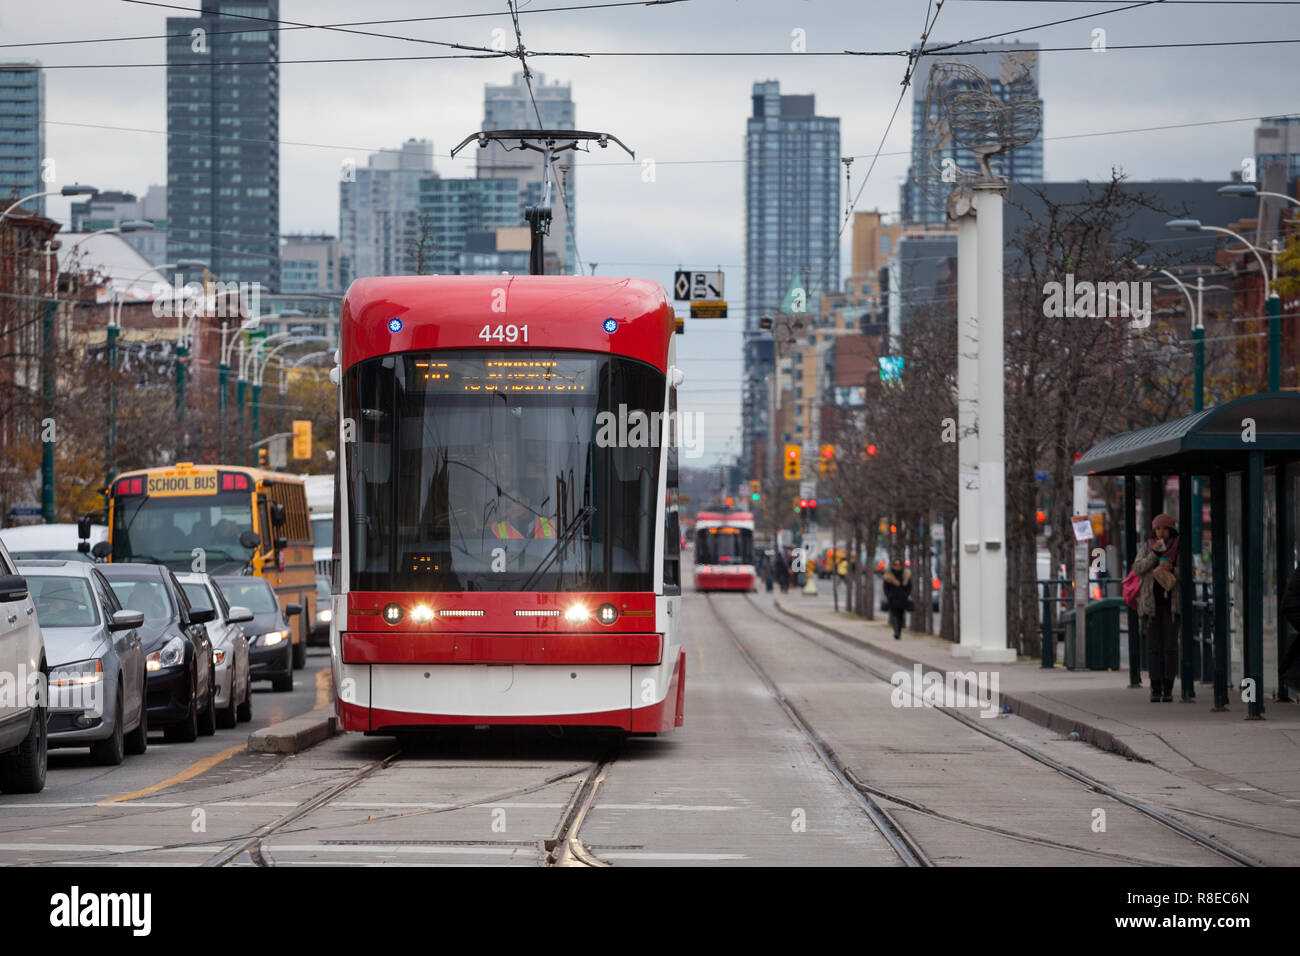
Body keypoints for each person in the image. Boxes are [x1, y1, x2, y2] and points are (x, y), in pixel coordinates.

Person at [1132, 513, 1181, 702]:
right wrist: (1154, 554)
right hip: (1151, 605)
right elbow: (1137, 568)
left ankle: (1168, 687)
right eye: (1157, 529)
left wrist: (1172, 569)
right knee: (1153, 648)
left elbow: (1187, 573)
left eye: (1164, 529)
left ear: (1171, 530)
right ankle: (1155, 687)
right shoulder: (1147, 546)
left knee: (1170, 647)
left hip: (1171, 604)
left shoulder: (1177, 547)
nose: (1160, 532)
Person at [882, 558, 912, 640]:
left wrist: (906, 595)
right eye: (895, 564)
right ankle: (896, 632)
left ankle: (899, 631)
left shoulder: (905, 574)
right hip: (893, 599)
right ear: (893, 565)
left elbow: (909, 587)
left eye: (899, 564)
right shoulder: (889, 575)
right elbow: (885, 588)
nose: (897, 566)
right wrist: (889, 595)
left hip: (902, 599)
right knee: (894, 615)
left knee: (900, 615)